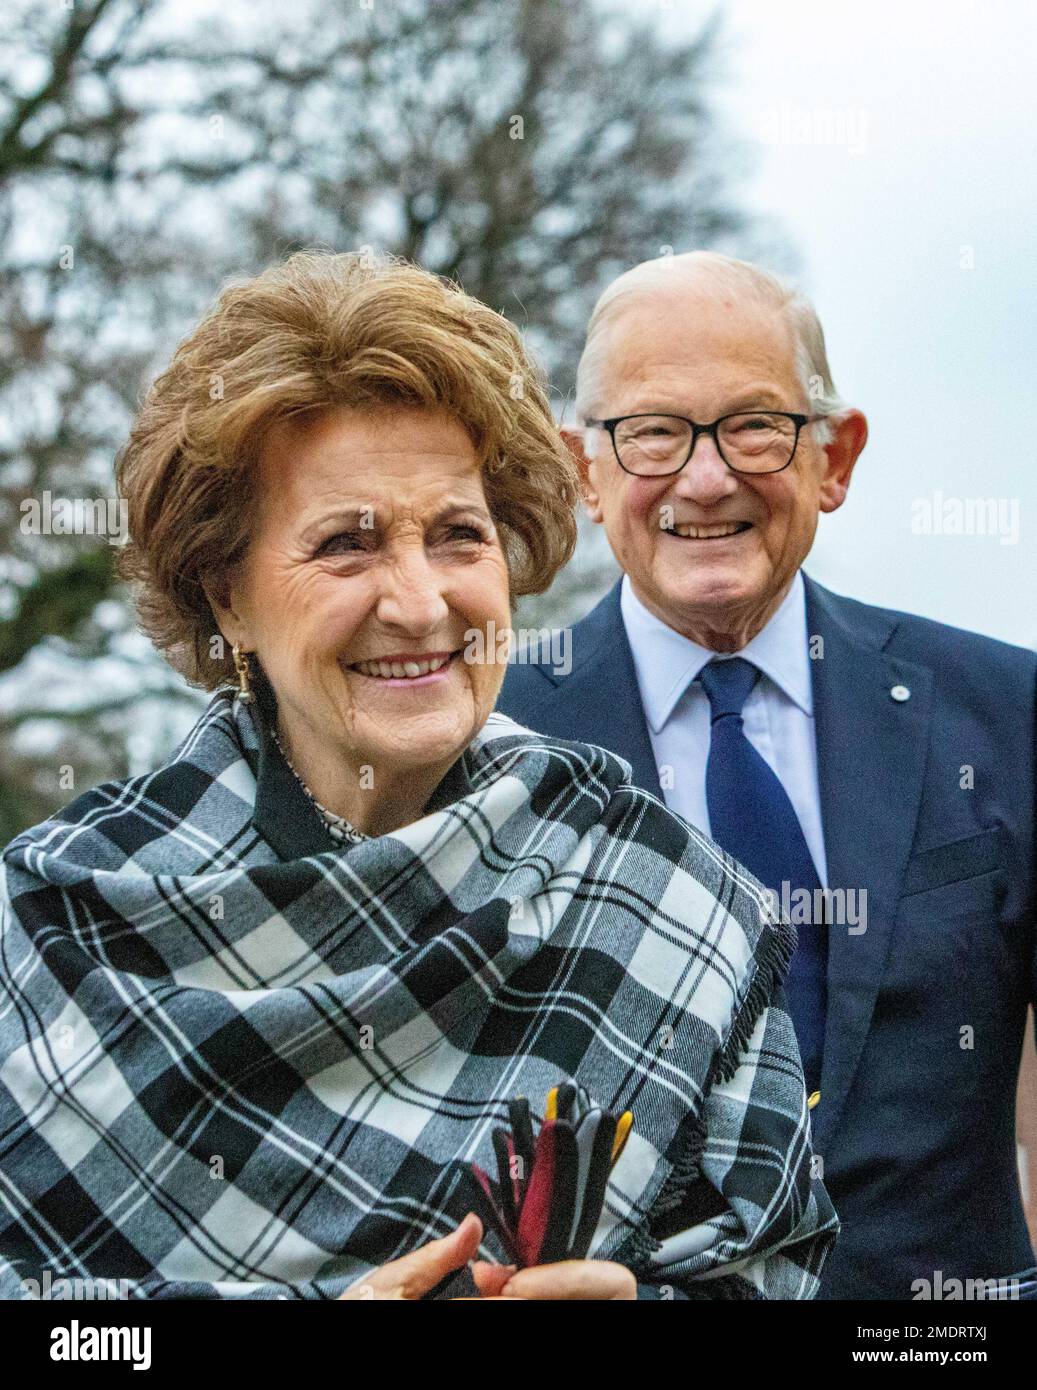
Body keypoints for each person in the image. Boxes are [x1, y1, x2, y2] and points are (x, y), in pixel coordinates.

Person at [0, 250, 836, 1301]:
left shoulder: (668, 896)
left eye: (456, 536)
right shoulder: (62, 917)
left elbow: (776, 1272)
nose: (419, 601)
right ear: (226, 598)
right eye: (346, 545)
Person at [498, 250, 1037, 1301]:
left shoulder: (1005, 712)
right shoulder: (490, 747)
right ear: (583, 470)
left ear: (833, 457)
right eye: (651, 430)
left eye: (753, 424)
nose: (705, 478)